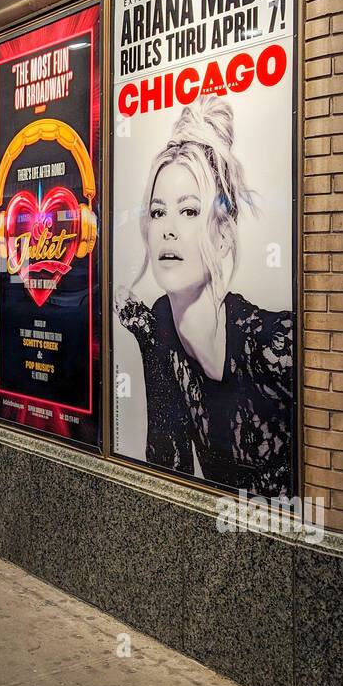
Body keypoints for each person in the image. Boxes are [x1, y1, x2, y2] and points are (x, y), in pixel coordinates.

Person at [115, 94, 294, 498]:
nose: (168, 229)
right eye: (158, 212)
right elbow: (167, 473)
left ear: (225, 234)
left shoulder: (272, 343)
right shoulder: (159, 327)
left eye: (190, 211)